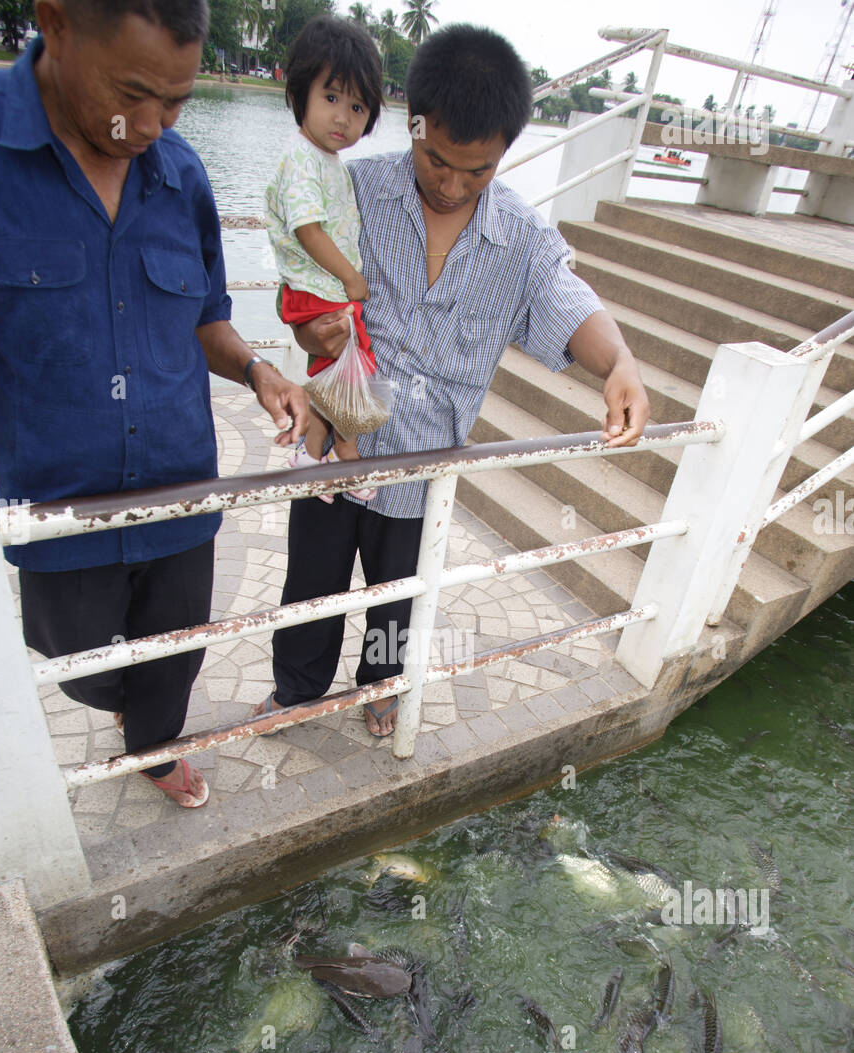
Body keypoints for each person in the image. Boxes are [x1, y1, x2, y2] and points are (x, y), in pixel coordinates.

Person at [253, 23, 650, 741]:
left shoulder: (520, 240)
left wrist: (618, 364)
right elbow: (306, 293)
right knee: (309, 584)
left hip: (423, 471)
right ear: (412, 123)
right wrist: (311, 334)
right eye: (436, 160)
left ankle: (382, 687)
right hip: (336, 437)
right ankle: (296, 692)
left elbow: (568, 300)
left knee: (398, 599)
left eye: (477, 171)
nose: (451, 183)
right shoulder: (354, 192)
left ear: (504, 154)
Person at [0, 0, 307, 807]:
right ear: (54, 23)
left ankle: (156, 749)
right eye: (132, 93)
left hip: (178, 488)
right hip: (61, 502)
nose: (152, 124)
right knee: (76, 661)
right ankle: (124, 712)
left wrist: (256, 371)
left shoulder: (182, 174)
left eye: (176, 103)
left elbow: (204, 315)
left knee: (174, 655)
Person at [264, 15, 383, 497]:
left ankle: (312, 454)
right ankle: (345, 453)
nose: (342, 117)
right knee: (354, 365)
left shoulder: (325, 159)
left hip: (323, 290)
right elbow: (308, 229)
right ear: (300, 94)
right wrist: (352, 279)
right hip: (320, 290)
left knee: (335, 369)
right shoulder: (301, 159)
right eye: (330, 97)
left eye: (356, 106)